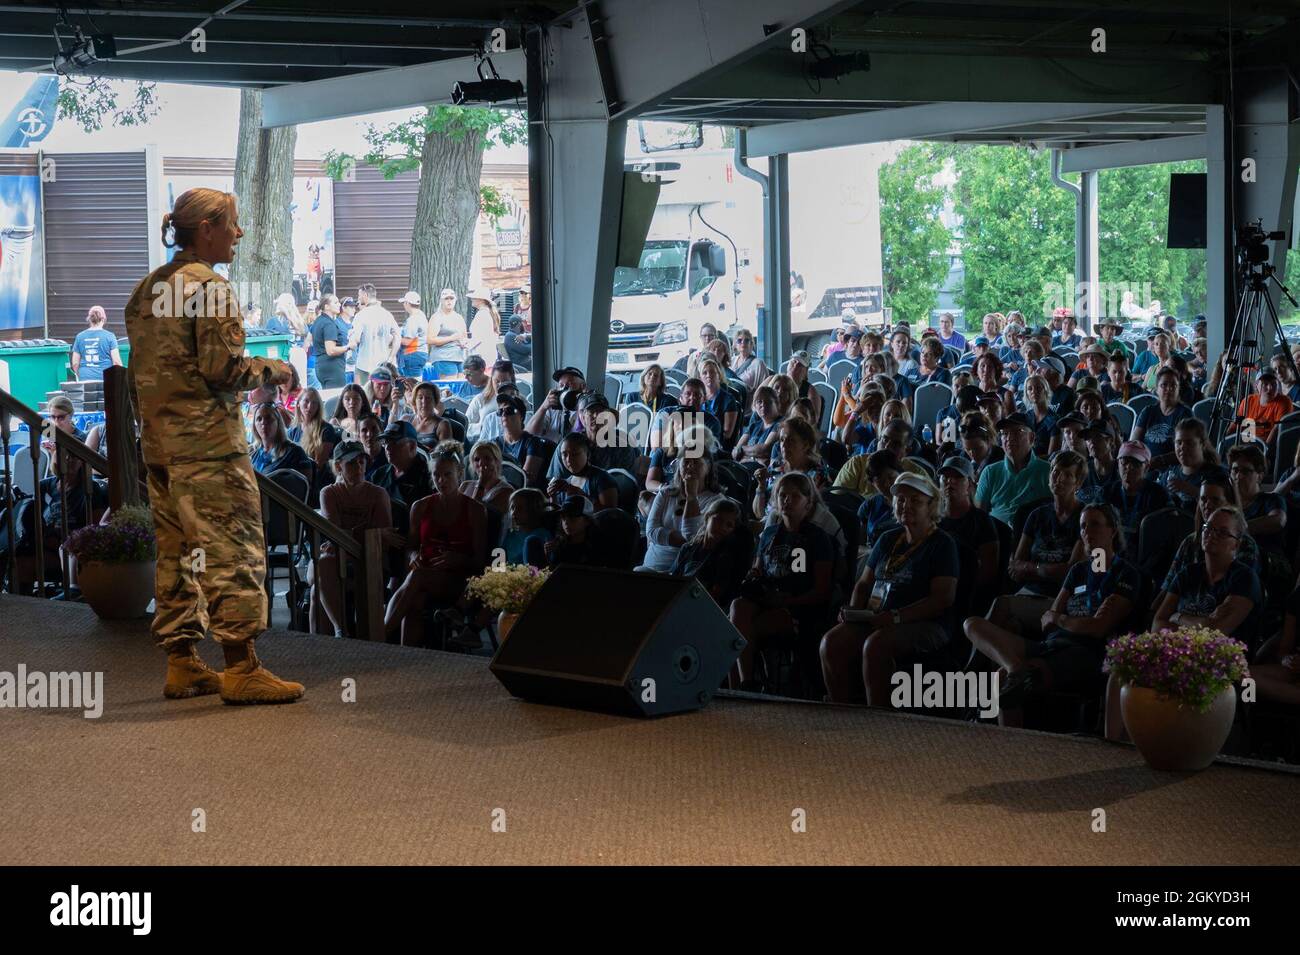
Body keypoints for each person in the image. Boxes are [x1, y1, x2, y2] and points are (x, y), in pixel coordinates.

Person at [123, 187, 302, 703]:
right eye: (232, 224)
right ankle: (241, 667)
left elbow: (143, 370)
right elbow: (223, 369)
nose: (238, 234)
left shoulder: (149, 288)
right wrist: (277, 368)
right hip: (208, 449)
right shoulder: (211, 288)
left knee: (179, 556)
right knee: (232, 551)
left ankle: (183, 664)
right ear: (206, 229)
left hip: (160, 451)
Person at [970, 503, 1140, 726]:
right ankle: (1015, 668)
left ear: (1113, 531)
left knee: (1004, 683)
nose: (1087, 532)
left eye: (1095, 525)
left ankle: (1011, 744)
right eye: (1082, 526)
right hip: (1050, 645)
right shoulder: (1078, 571)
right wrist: (1075, 621)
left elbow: (1097, 629)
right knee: (972, 624)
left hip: (1084, 652)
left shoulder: (1125, 573)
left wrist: (1061, 619)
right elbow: (1046, 622)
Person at [821, 472, 960, 705]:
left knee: (876, 645)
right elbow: (864, 584)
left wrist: (895, 617)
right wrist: (854, 612)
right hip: (878, 617)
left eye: (915, 500)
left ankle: (879, 721)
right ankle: (841, 711)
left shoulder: (942, 543)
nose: (906, 505)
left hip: (924, 623)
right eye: (901, 500)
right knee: (832, 642)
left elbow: (942, 600)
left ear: (931, 505)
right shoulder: (887, 539)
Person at [730, 472, 835, 690]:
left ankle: (748, 685)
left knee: (736, 634)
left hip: (797, 609)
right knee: (737, 607)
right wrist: (754, 578)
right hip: (766, 599)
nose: (786, 500)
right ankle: (745, 684)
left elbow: (822, 590)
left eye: (794, 496)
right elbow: (758, 568)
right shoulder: (769, 534)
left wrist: (786, 602)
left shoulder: (817, 538)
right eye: (782, 495)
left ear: (808, 503)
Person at [385, 443, 489, 646]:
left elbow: (480, 563)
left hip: (459, 581)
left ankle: (378, 637)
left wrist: (457, 559)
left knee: (417, 577)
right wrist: (413, 555)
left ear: (459, 473)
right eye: (436, 475)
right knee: (415, 599)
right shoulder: (420, 506)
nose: (441, 481)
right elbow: (411, 547)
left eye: (447, 475)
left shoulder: (475, 511)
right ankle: (406, 656)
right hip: (425, 575)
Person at [984, 450, 1088, 639]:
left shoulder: (1084, 517)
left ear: (1078, 483)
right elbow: (1016, 567)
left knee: (1000, 606)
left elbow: (1071, 572)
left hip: (1063, 598)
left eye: (1067, 475)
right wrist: (1044, 571)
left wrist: (1033, 568)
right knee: (1009, 627)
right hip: (1030, 591)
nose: (1059, 479)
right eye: (1055, 472)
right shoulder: (1036, 515)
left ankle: (974, 668)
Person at [313, 441, 395, 639]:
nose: (358, 467)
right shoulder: (329, 492)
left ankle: (336, 636)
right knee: (321, 571)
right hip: (337, 555)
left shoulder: (377, 493)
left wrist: (350, 534)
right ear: (339, 466)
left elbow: (384, 536)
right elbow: (335, 532)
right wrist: (365, 531)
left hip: (369, 557)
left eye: (361, 462)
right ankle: (339, 631)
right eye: (351, 464)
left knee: (319, 587)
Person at [1153, 506, 1261, 646]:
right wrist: (1203, 623)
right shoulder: (1187, 573)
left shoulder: (1245, 578)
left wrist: (1177, 617)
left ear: (1236, 544)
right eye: (1208, 527)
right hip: (1178, 654)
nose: (1211, 534)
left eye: (1223, 532)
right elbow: (1157, 626)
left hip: (1222, 661)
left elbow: (1215, 633)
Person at [638, 451, 722, 573]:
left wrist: (691, 496)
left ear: (708, 467)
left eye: (696, 462)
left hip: (684, 569)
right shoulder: (666, 493)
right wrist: (682, 539)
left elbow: (693, 540)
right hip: (652, 564)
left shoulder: (716, 501)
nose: (690, 466)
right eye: (686, 462)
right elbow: (651, 531)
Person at [669, 496, 751, 606]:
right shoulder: (688, 548)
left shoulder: (725, 556)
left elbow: (716, 594)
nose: (723, 527)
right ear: (707, 517)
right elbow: (673, 579)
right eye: (718, 520)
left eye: (729, 525)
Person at [973, 412, 1051, 525]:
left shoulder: (1048, 471)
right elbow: (979, 516)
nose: (1009, 438)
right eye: (1004, 433)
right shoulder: (990, 472)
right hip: (996, 536)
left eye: (1017, 432)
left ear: (1031, 437)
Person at [938, 456, 1000, 592]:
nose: (950, 481)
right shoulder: (933, 519)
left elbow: (988, 570)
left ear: (970, 484)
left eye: (957, 477)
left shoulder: (982, 521)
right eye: (945, 477)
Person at [1098, 441, 1170, 559]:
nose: (1129, 467)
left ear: (1146, 467)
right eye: (1124, 461)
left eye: (1136, 463)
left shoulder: (1158, 495)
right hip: (1107, 559)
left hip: (1143, 564)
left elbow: (1163, 542)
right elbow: (1094, 533)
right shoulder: (1106, 493)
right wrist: (1099, 568)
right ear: (1118, 463)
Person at [371, 420, 434, 534]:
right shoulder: (379, 474)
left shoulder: (429, 477)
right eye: (386, 442)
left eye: (394, 442)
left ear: (412, 446)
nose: (388, 448)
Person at [1156, 417, 1226, 511]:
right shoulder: (1169, 475)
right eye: (1179, 443)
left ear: (1202, 444)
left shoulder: (1217, 475)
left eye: (1189, 443)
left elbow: (1224, 508)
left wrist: (1193, 491)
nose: (1183, 448)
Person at [1131, 367, 1191, 465]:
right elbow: (1134, 442)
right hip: (1145, 465)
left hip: (1172, 467)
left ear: (1178, 389)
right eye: (1164, 385)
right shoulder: (1148, 411)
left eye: (1173, 385)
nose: (1169, 389)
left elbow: (1185, 450)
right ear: (1156, 389)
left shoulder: (1185, 414)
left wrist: (1158, 460)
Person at [546, 431, 618, 511]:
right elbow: (559, 518)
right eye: (564, 454)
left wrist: (582, 496)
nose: (568, 460)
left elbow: (610, 515)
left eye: (575, 454)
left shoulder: (603, 479)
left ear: (587, 454)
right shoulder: (564, 485)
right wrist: (553, 497)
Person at [347, 284, 400, 386]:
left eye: (359, 295)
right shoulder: (387, 314)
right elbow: (397, 336)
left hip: (364, 365)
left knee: (365, 396)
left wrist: (351, 339)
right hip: (383, 363)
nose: (358, 298)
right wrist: (391, 357)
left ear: (365, 295)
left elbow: (356, 339)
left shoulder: (361, 315)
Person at [249, 401, 313, 480]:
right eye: (259, 419)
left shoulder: (295, 452)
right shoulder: (252, 452)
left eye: (268, 418)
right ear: (254, 426)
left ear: (278, 423)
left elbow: (306, 486)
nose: (263, 422)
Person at [494, 396, 549, 486]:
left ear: (521, 416)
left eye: (509, 410)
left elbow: (525, 481)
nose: (504, 414)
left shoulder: (533, 443)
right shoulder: (494, 443)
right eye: (500, 411)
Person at [1231, 369, 1294, 445]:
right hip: (1246, 443)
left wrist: (1264, 450)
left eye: (1274, 384)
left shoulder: (1284, 401)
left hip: (1266, 447)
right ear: (1256, 385)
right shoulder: (1248, 400)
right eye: (1265, 384)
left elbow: (1276, 430)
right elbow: (1235, 425)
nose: (1270, 388)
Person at [500, 487, 551, 567]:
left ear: (533, 510)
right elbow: (500, 561)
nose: (514, 513)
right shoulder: (510, 535)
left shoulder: (542, 535)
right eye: (512, 508)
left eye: (520, 508)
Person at [70, 305, 122, 382]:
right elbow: (116, 362)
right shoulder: (110, 336)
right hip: (105, 378)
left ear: (89, 319)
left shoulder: (80, 336)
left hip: (85, 378)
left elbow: (75, 363)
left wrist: (80, 375)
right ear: (103, 319)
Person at [462, 440, 513, 515]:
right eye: (476, 459)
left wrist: (481, 483)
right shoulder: (465, 485)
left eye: (487, 458)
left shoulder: (507, 491)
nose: (481, 463)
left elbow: (475, 515)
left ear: (496, 461)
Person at [427, 289, 468, 378]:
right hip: (444, 357)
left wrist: (464, 342)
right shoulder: (437, 317)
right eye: (446, 299)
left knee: (461, 386)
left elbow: (464, 336)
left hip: (459, 357)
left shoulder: (459, 317)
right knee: (450, 387)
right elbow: (430, 339)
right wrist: (451, 338)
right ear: (441, 300)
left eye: (451, 298)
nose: (449, 301)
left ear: (455, 300)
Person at [311, 294, 349, 389]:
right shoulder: (329, 324)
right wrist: (348, 347)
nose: (339, 305)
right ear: (326, 306)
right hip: (333, 367)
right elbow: (331, 350)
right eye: (335, 303)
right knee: (335, 399)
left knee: (328, 399)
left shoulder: (318, 321)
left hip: (320, 365)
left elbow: (309, 340)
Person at [408, 381, 454, 449]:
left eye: (428, 398)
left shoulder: (443, 425)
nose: (424, 402)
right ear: (415, 401)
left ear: (435, 401)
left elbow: (446, 455)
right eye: (420, 398)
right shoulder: (406, 419)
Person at [397, 290, 429, 379]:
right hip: (421, 353)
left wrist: (394, 338)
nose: (403, 305)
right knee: (416, 381)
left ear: (407, 303)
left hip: (412, 354)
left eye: (404, 303)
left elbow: (408, 341)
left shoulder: (413, 319)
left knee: (411, 384)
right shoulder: (422, 316)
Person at [466, 287, 501, 365]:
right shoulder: (488, 313)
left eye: (474, 297)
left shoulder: (482, 314)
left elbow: (479, 337)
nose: (472, 299)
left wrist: (466, 345)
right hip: (488, 354)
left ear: (481, 300)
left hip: (481, 355)